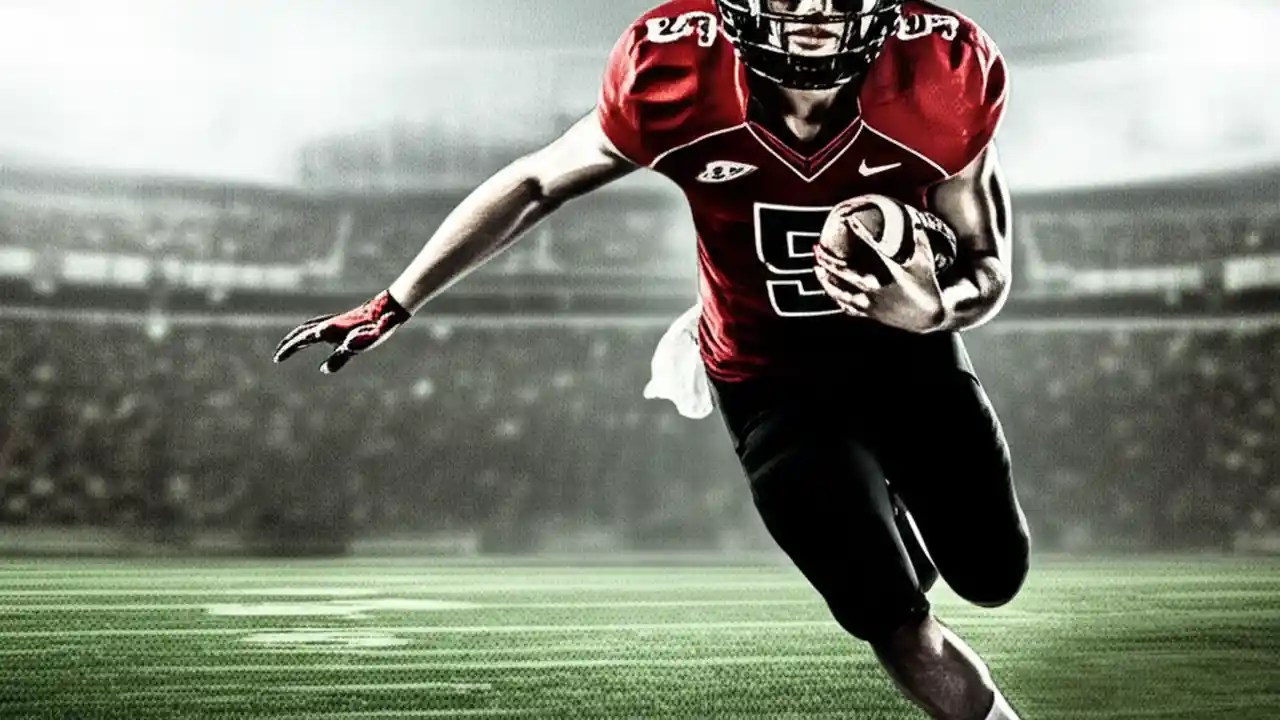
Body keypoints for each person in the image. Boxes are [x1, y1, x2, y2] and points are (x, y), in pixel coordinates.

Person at [274, 2, 1029, 717]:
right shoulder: (676, 74)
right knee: (889, 614)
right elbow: (537, 181)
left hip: (908, 362)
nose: (809, 12)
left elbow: (989, 266)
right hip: (767, 379)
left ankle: (895, 511)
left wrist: (936, 309)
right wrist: (395, 299)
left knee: (994, 578)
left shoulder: (939, 72)